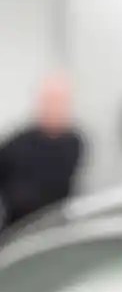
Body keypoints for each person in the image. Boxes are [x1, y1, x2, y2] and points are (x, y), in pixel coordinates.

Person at [0, 72, 84, 230]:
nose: (54, 107)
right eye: (49, 100)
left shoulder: (75, 142)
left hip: (57, 229)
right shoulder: (16, 143)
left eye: (60, 101)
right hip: (17, 231)